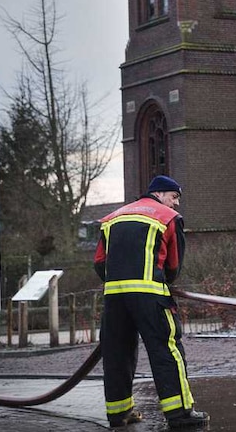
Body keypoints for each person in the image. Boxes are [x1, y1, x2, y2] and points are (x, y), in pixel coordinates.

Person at [94, 175, 208, 429]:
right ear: (159, 194)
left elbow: (99, 262)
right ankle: (180, 415)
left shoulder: (112, 218)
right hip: (150, 297)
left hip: (114, 298)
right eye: (174, 197)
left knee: (116, 353)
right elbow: (174, 266)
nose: (176, 204)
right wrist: (158, 281)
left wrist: (120, 281)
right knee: (166, 351)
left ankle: (118, 414)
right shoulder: (167, 218)